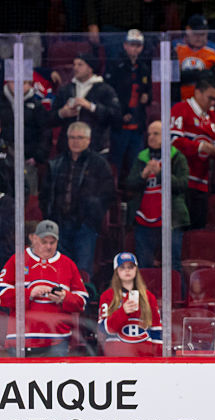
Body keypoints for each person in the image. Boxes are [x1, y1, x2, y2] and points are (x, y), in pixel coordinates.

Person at [0, 220, 88, 356]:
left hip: (57, 342)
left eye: (52, 242)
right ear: (34, 239)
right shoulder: (17, 260)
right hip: (20, 341)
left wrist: (65, 297)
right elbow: (2, 294)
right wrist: (28, 293)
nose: (48, 246)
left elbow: (82, 301)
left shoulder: (68, 264)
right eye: (43, 241)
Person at [40, 122, 115, 279]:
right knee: (59, 269)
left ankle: (82, 301)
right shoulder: (56, 162)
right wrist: (50, 216)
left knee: (82, 270)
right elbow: (45, 193)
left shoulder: (99, 164)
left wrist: (92, 217)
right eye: (72, 138)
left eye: (80, 138)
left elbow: (108, 195)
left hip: (85, 225)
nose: (75, 141)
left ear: (88, 140)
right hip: (59, 223)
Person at [123, 120, 190, 271]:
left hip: (171, 220)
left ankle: (177, 295)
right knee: (144, 265)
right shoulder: (141, 157)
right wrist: (143, 175)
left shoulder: (177, 157)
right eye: (149, 134)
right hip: (144, 220)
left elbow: (183, 184)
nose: (151, 137)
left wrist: (161, 173)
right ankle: (147, 295)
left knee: (173, 264)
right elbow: (129, 185)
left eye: (156, 134)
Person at [170, 75, 215, 231]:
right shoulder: (181, 110)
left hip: (201, 184)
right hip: (181, 181)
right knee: (180, 231)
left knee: (197, 229)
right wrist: (199, 147)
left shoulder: (213, 118)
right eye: (210, 98)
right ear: (198, 93)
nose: (213, 103)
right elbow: (173, 142)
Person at [51, 53, 120, 157]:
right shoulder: (65, 90)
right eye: (74, 64)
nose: (75, 68)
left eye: (80, 65)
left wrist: (91, 107)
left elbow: (115, 116)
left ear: (90, 68)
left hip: (96, 148)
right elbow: (49, 119)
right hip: (67, 149)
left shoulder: (106, 90)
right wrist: (62, 113)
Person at [105, 29, 150, 181]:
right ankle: (113, 198)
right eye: (132, 45)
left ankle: (133, 199)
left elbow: (148, 91)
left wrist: (147, 97)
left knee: (135, 164)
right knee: (115, 164)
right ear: (125, 45)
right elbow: (109, 93)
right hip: (119, 125)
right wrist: (121, 113)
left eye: (138, 45)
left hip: (137, 125)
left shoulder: (143, 67)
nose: (135, 49)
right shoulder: (115, 65)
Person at [98, 252, 161, 355]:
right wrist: (123, 312)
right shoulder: (107, 296)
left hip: (144, 357)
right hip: (117, 356)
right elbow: (103, 330)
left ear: (136, 269)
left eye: (131, 267)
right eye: (122, 267)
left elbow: (157, 331)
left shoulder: (149, 297)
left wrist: (157, 359)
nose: (127, 270)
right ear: (116, 271)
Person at [174, 14, 215, 102]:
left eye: (202, 34)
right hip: (180, 100)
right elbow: (172, 76)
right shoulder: (176, 48)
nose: (199, 38)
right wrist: (200, 74)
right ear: (188, 31)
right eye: (196, 34)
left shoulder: (213, 50)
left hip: (204, 101)